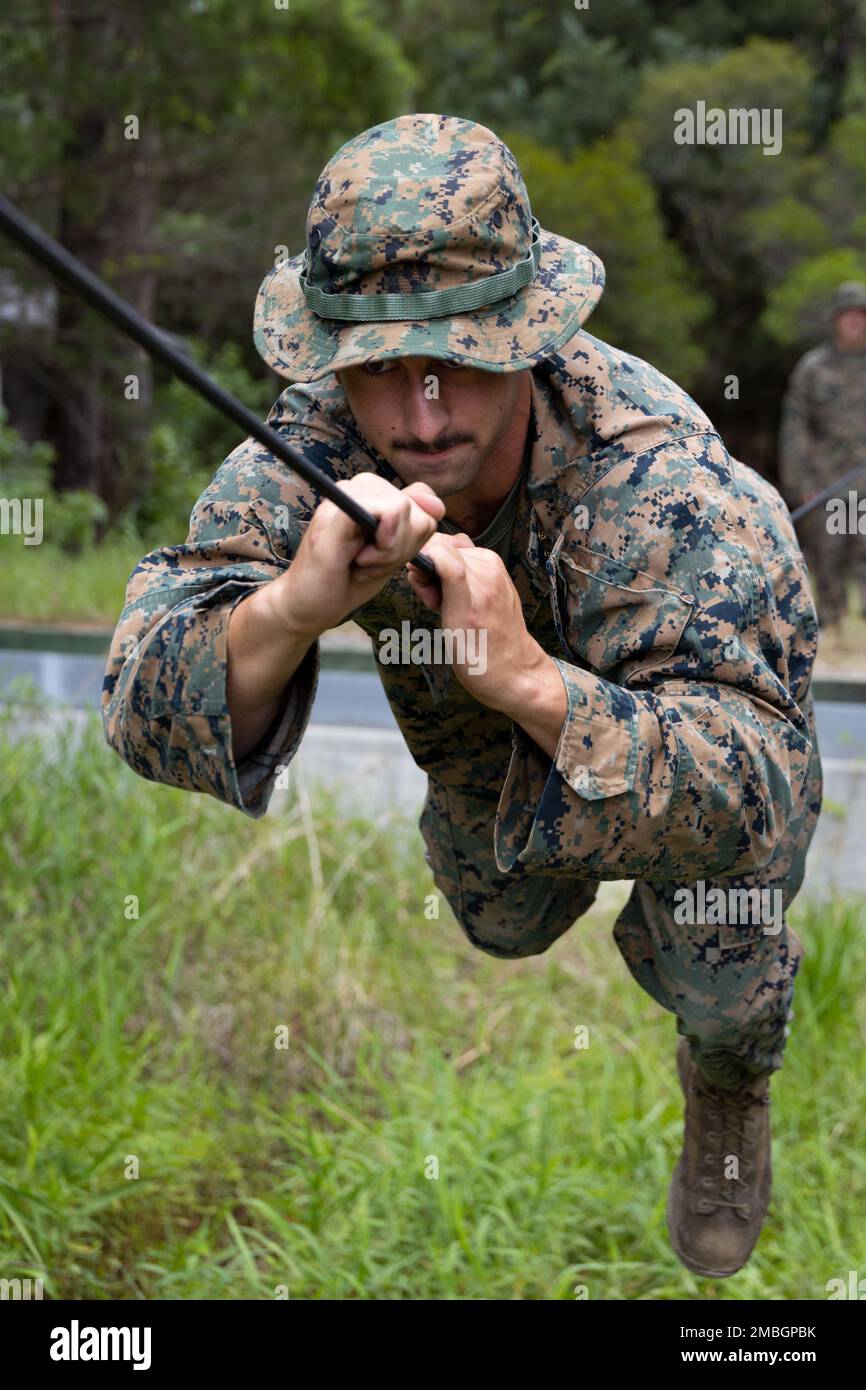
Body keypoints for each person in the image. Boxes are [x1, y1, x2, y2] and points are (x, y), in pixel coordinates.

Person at [102, 113, 823, 1281]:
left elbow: (758, 792)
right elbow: (139, 692)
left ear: (526, 336)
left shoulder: (667, 488)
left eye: (457, 362)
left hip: (685, 731)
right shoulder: (318, 442)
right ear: (330, 357)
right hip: (485, 760)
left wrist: (537, 686)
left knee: (723, 960)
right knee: (501, 916)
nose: (420, 417)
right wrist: (287, 609)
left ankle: (727, 1083)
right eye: (379, 368)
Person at [778, 280, 866, 628]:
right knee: (829, 558)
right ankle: (831, 625)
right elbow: (795, 429)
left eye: (862, 315)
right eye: (849, 316)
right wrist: (802, 482)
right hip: (829, 484)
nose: (855, 322)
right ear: (836, 320)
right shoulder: (813, 367)